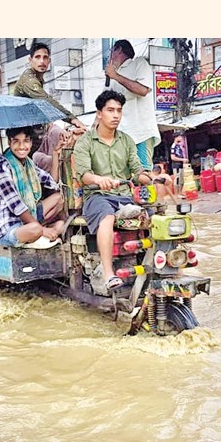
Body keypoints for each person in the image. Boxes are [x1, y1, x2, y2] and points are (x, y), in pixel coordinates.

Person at [73, 90, 153, 292]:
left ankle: (160, 267)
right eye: (110, 110)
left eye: (119, 110)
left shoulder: (126, 140)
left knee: (155, 217)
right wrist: (99, 180)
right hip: (97, 197)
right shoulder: (85, 142)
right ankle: (109, 274)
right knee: (107, 217)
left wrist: (152, 177)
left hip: (124, 197)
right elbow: (84, 176)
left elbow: (137, 172)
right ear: (99, 113)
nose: (116, 115)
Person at [0, 127, 66, 247]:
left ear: (31, 143)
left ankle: (38, 233)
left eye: (26, 141)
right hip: (7, 229)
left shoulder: (28, 164)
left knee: (59, 200)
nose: (22, 146)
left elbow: (52, 182)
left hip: (28, 220)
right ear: (9, 142)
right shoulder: (2, 168)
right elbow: (17, 206)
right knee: (36, 229)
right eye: (16, 141)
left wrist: (55, 154)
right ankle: (39, 233)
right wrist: (42, 230)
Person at [105, 39, 159, 170]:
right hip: (121, 135)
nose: (110, 57)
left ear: (118, 50)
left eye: (111, 52)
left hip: (141, 132)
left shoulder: (139, 64)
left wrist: (116, 76)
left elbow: (142, 90)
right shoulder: (113, 78)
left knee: (143, 174)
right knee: (124, 175)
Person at [13, 41, 88, 133]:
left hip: (32, 126)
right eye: (37, 57)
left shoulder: (38, 78)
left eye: (45, 57)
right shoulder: (29, 80)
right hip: (22, 131)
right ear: (30, 60)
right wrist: (72, 119)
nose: (42, 61)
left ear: (49, 61)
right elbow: (46, 101)